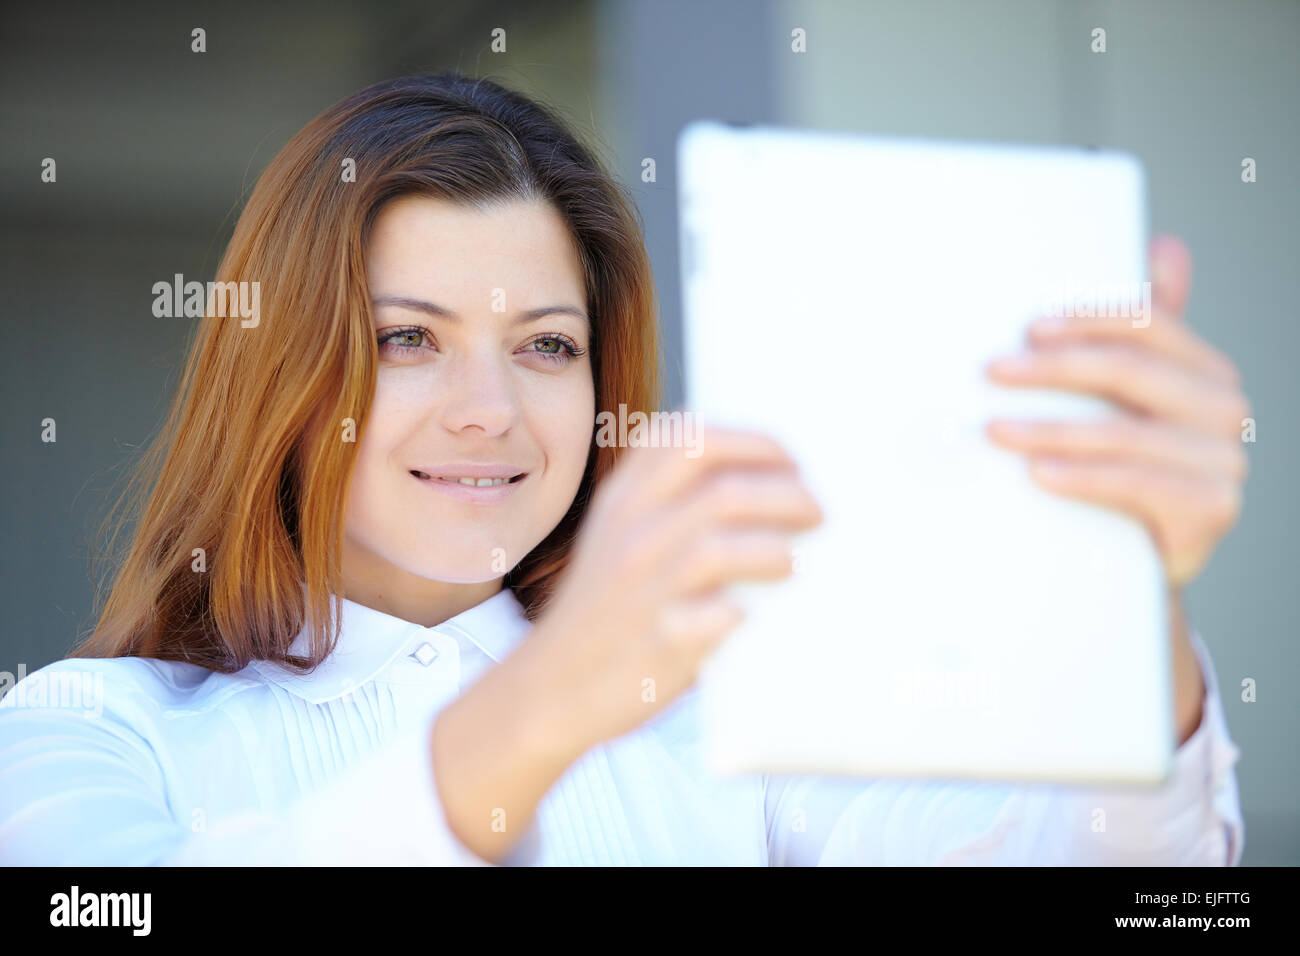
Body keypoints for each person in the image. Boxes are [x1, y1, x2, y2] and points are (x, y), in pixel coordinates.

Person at [0, 72, 1247, 865]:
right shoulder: (84, 732)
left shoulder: (734, 719)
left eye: (545, 345)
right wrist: (553, 698)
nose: (488, 410)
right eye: (408, 338)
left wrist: (1130, 594)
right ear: (286, 371)